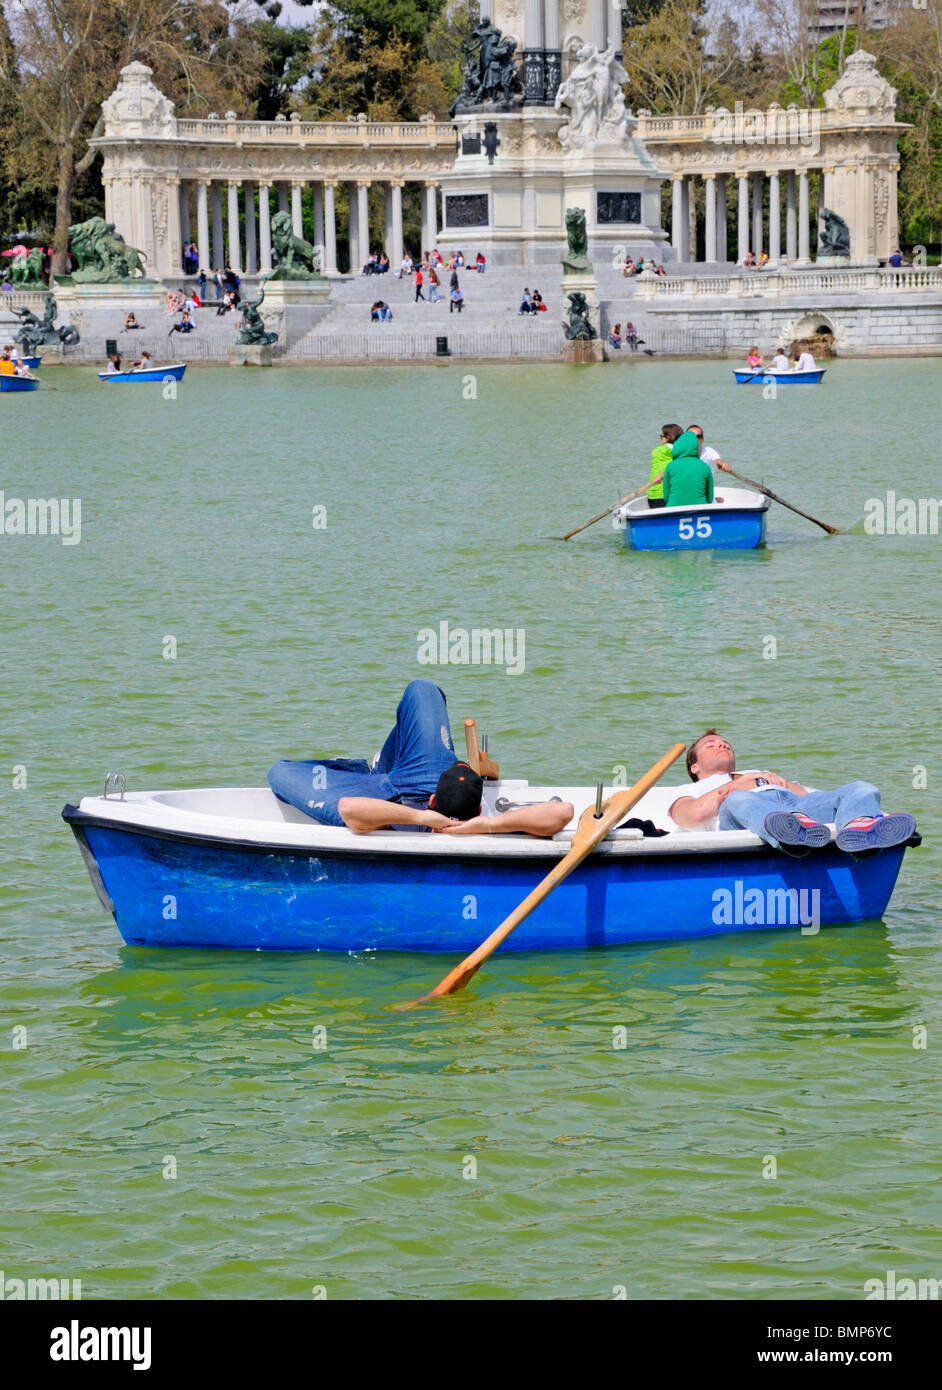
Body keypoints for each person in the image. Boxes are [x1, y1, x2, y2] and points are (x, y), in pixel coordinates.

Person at [268, 680, 573, 836]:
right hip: (429, 774)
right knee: (423, 691)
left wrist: (421, 817)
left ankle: (366, 772)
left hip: (387, 798)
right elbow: (563, 812)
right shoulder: (485, 822)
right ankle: (382, 766)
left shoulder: (416, 819)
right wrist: (486, 826)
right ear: (480, 808)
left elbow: (350, 808)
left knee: (280, 772)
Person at [669, 730, 917, 858]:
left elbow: (807, 798)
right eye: (710, 745)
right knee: (739, 798)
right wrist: (736, 786)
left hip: (793, 806)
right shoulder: (689, 790)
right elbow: (694, 815)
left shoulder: (760, 772)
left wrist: (785, 783)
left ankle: (859, 833)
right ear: (695, 767)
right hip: (742, 815)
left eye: (725, 743)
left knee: (861, 789)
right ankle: (789, 830)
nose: (721, 745)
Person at [662, 429, 714, 508]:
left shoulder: (670, 466)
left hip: (673, 508)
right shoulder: (705, 466)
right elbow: (710, 499)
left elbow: (666, 496)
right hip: (701, 508)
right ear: (696, 448)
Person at [647, 423, 683, 509]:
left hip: (653, 493)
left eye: (661, 436)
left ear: (667, 437)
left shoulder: (657, 450)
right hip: (669, 493)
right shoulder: (678, 450)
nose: (661, 438)